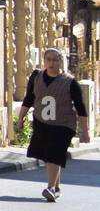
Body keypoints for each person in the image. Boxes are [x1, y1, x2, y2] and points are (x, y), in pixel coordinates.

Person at [16, 47, 90, 201]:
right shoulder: (36, 77)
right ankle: (55, 187)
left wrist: (85, 131)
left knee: (53, 153)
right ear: (44, 61)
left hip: (63, 124)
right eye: (48, 59)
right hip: (42, 122)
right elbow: (29, 98)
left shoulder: (70, 82)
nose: (52, 63)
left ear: (61, 62)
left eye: (55, 60)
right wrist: (21, 118)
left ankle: (49, 188)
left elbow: (81, 108)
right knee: (47, 154)